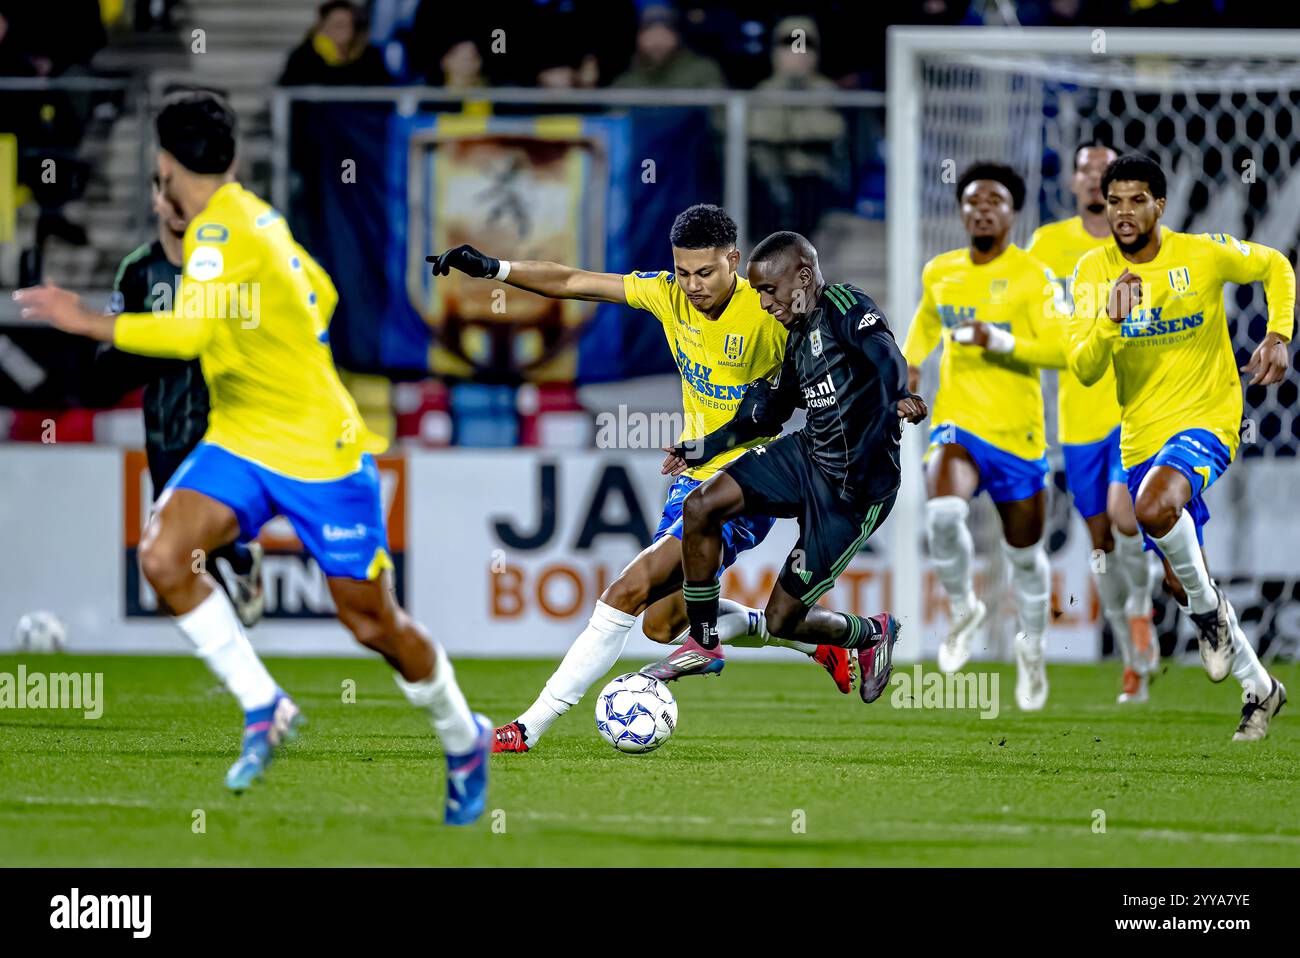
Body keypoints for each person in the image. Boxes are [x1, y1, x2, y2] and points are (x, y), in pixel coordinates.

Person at [14, 91, 490, 822]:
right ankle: (264, 703)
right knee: (164, 555)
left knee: (372, 623)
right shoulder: (254, 217)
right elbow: (322, 295)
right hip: (240, 436)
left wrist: (82, 318)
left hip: (318, 450)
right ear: (229, 158)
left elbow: (188, 336)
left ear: (165, 165)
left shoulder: (221, 233)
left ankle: (464, 739)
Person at [428, 205, 857, 754]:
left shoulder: (768, 307)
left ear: (733, 261)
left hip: (749, 483)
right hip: (692, 480)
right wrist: (496, 269)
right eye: (684, 272)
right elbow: (571, 281)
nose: (694, 285)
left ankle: (527, 727)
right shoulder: (666, 295)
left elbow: (837, 343)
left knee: (622, 594)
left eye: (706, 273)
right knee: (661, 623)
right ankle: (822, 640)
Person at [1066, 152, 1294, 741]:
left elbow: (1276, 265)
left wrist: (1278, 334)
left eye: (1136, 199)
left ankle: (1208, 612)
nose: (1123, 211)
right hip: (1141, 435)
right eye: (1114, 200)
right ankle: (1260, 686)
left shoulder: (1201, 252)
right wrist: (1111, 319)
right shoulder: (1093, 271)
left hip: (1208, 419)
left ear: (1159, 205)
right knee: (1179, 577)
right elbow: (1085, 369)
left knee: (1148, 508)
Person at [649, 231, 928, 705]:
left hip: (851, 495)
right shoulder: (796, 337)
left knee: (783, 620)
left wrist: (900, 393)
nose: (762, 303)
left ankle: (871, 632)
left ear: (803, 275)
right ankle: (704, 641)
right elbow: (766, 415)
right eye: (756, 292)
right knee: (700, 506)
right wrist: (703, 448)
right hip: (805, 458)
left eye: (768, 290)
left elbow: (885, 353)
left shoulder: (844, 304)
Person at [902, 162, 1068, 711]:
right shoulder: (941, 271)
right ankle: (963, 608)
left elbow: (1061, 350)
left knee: (1025, 558)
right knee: (943, 514)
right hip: (959, 423)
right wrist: (910, 365)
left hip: (1019, 437)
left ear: (1012, 212)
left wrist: (1000, 341)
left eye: (994, 201)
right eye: (972, 201)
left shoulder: (1033, 276)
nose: (982, 209)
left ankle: (1033, 647)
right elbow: (927, 322)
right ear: (961, 211)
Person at [83, 174, 264, 626]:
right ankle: (240, 564)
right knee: (183, 550)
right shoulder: (138, 270)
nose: (175, 202)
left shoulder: (228, 264)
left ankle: (237, 581)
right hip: (163, 426)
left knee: (185, 537)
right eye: (164, 191)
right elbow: (115, 345)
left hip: (221, 425)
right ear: (155, 201)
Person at [1028, 141, 1161, 704]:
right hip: (1077, 416)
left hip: (1135, 408)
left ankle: (1139, 612)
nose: (1091, 180)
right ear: (1078, 184)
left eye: (1102, 171)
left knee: (1124, 516)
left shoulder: (1143, 249)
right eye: (1084, 170)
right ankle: (1133, 651)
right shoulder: (1047, 246)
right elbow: (1038, 325)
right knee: (1100, 538)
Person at [610, 4, 726, 90]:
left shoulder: (703, 72)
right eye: (651, 34)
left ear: (677, 37)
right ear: (639, 38)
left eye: (664, 34)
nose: (657, 42)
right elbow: (614, 119)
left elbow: (721, 117)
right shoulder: (626, 81)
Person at [278, 1, 391, 87]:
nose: (346, 30)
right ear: (322, 26)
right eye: (338, 25)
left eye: (350, 24)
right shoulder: (302, 58)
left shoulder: (370, 56)